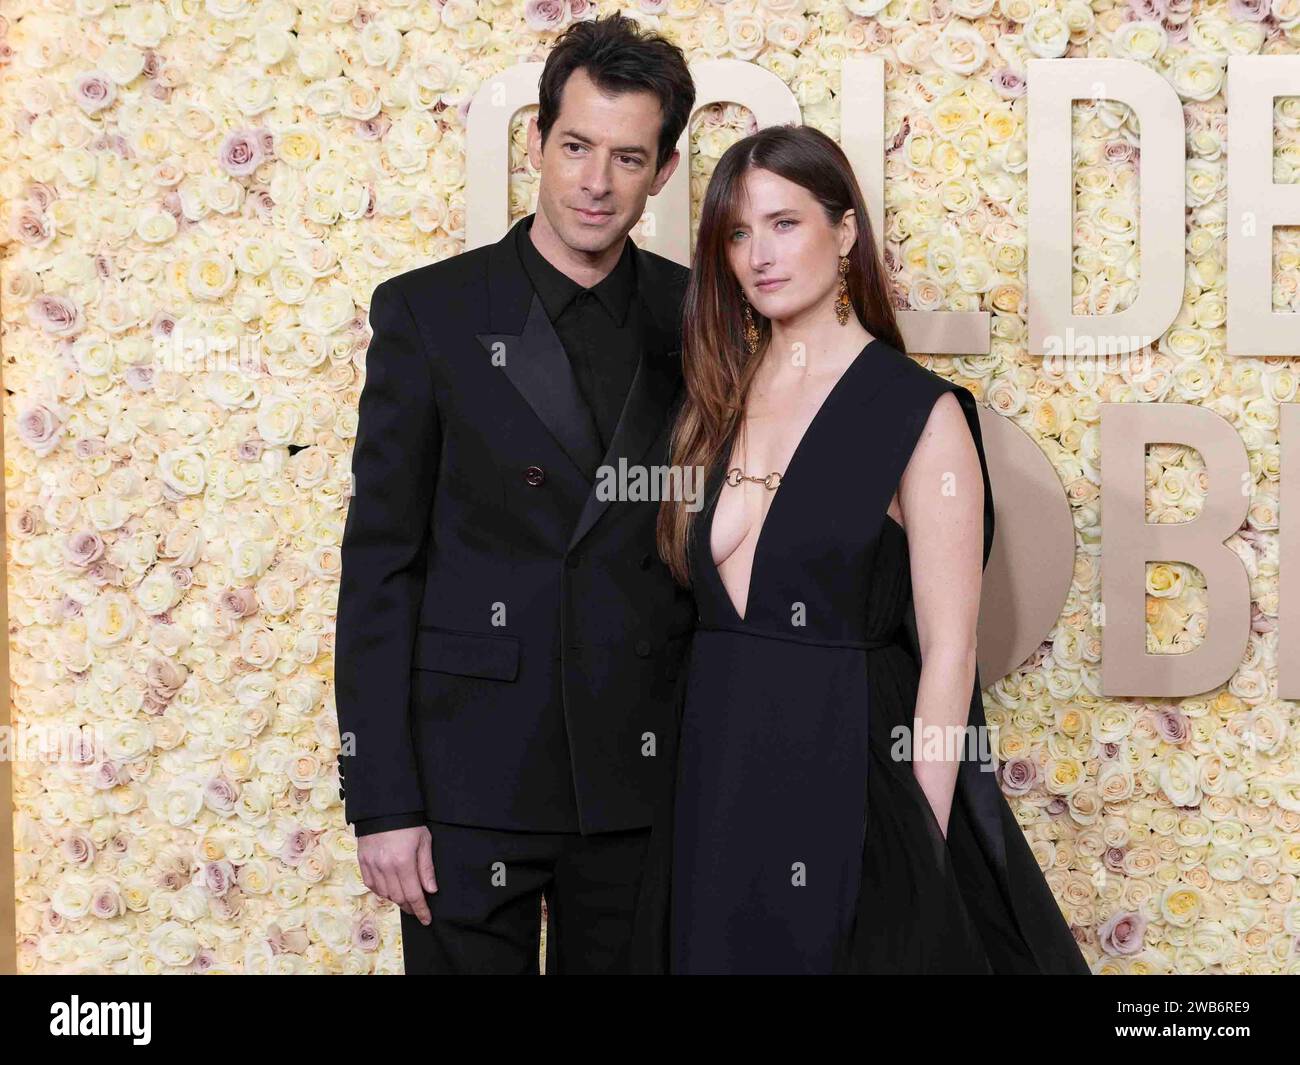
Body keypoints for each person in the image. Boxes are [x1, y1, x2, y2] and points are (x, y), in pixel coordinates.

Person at [631, 124, 1092, 974]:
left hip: (845, 784)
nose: (758, 254)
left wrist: (920, 841)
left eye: (784, 223)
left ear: (844, 233)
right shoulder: (712, 399)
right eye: (736, 232)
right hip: (712, 785)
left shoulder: (918, 411)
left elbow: (950, 654)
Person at [334, 14, 697, 974]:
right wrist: (384, 801)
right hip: (467, 779)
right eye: (575, 146)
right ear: (536, 142)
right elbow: (381, 563)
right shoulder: (429, 312)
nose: (594, 181)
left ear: (661, 174)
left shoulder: (699, 318)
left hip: (640, 774)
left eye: (628, 157)